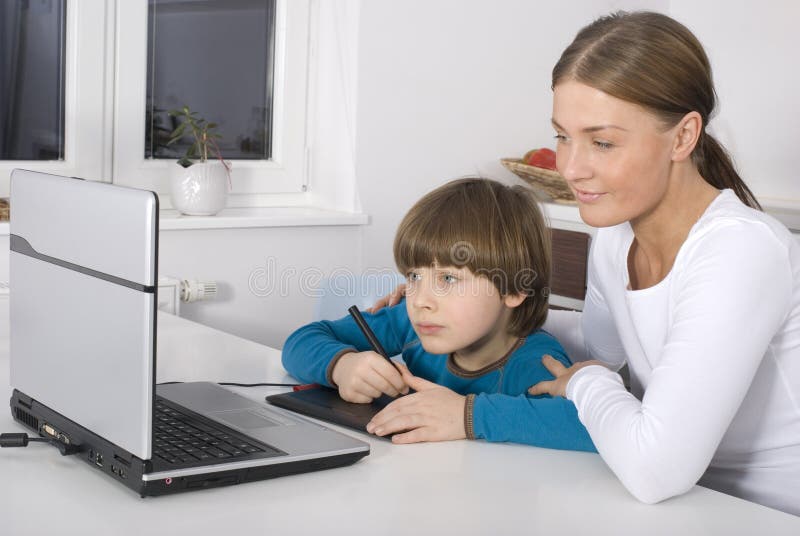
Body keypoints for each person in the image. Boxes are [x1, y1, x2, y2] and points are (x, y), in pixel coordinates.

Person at [375, 11, 800, 515]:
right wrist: (464, 299)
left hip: (767, 512)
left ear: (683, 137)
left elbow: (653, 465)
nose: (571, 167)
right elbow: (603, 347)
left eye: (601, 142)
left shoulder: (740, 251)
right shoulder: (616, 237)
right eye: (562, 136)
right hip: (682, 503)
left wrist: (573, 384)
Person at [282, 177, 595, 451]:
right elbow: (300, 342)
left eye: (447, 279)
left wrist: (465, 415)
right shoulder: (411, 324)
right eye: (414, 277)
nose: (420, 301)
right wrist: (341, 365)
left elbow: (597, 427)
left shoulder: (536, 364)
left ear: (514, 289)